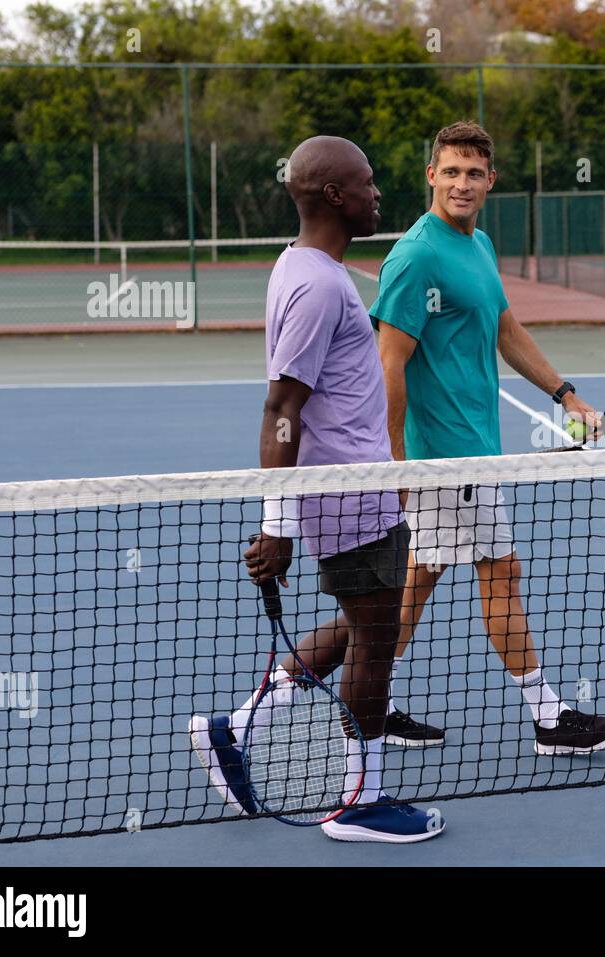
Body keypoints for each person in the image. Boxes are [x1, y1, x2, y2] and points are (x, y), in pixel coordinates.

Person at [189, 135, 443, 844]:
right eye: (365, 182)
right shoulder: (319, 283)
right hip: (346, 499)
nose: (377, 192)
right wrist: (277, 522)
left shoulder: (308, 269)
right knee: (376, 639)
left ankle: (238, 727)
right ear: (334, 195)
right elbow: (280, 407)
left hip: (365, 490)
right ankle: (361, 800)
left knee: (369, 625)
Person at [373, 121, 605, 754]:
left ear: (491, 181)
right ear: (430, 174)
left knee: (418, 577)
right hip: (443, 457)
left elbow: (505, 330)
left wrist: (566, 395)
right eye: (450, 171)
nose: (462, 183)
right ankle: (547, 717)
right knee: (501, 572)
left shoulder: (478, 245)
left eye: (474, 173)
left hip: (473, 450)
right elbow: (389, 365)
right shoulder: (415, 256)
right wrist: (398, 465)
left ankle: (369, 700)